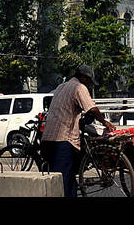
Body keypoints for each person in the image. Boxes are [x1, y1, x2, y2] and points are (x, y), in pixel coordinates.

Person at [40, 65, 113, 198]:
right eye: (90, 82)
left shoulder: (61, 87)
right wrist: (106, 122)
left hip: (47, 138)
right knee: (63, 182)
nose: (90, 85)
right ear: (84, 78)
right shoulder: (79, 87)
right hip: (63, 140)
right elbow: (92, 109)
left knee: (64, 179)